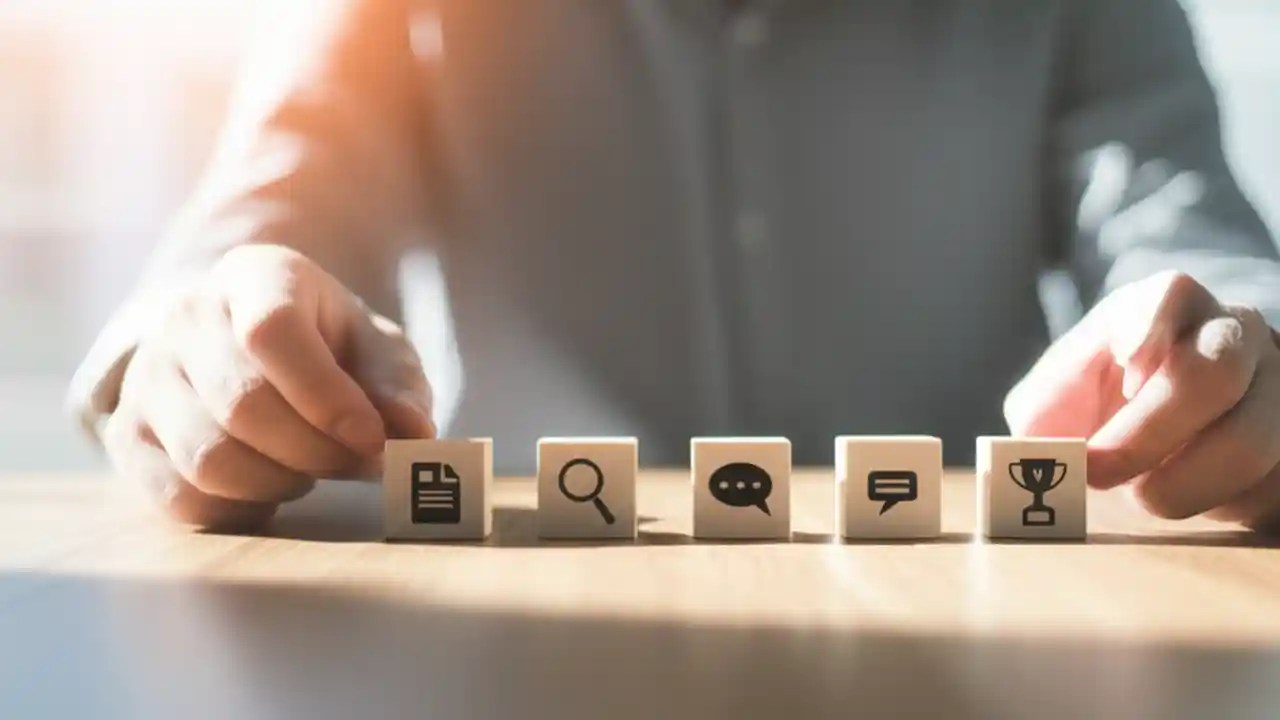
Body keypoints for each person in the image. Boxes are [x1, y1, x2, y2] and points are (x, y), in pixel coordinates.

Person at [69, 0, 1280, 531]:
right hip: (512, 637)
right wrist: (196, 347)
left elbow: (1190, 241)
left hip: (977, 627)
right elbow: (263, 218)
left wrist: (1241, 351)